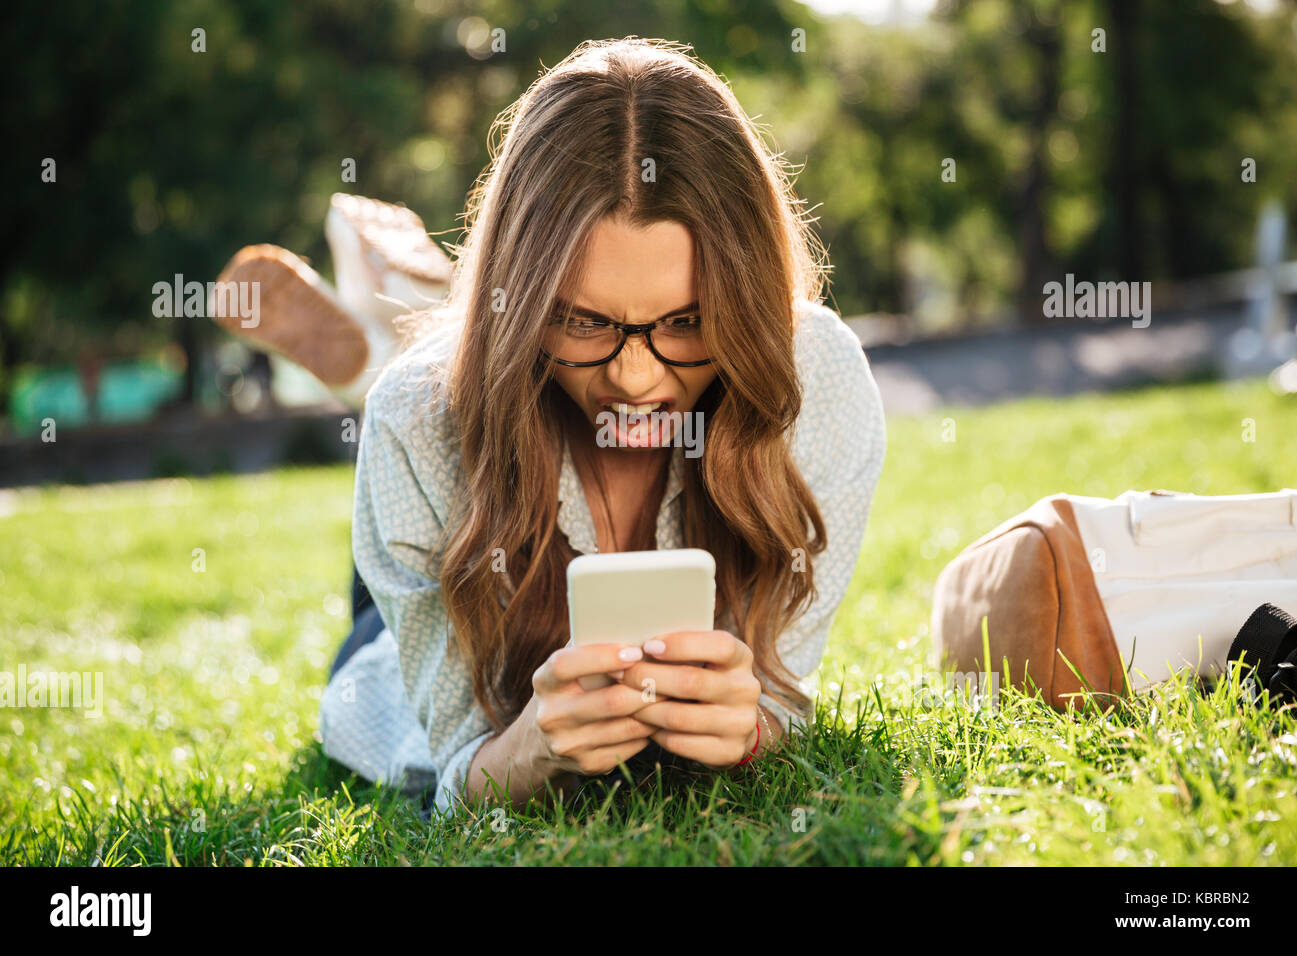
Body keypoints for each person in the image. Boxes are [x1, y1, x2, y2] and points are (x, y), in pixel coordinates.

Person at [219, 37, 887, 817]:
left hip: (470, 384)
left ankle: (409, 309)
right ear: (526, 300)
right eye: (581, 319)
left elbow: (782, 697)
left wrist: (754, 731)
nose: (637, 379)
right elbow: (455, 764)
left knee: (425, 389)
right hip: (449, 530)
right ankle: (408, 340)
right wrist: (527, 749)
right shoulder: (416, 422)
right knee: (421, 413)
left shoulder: (819, 379)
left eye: (686, 322)